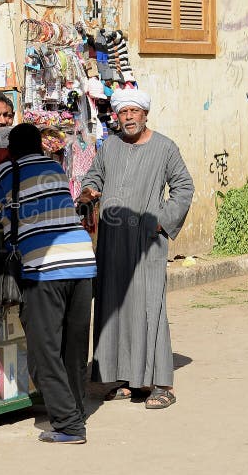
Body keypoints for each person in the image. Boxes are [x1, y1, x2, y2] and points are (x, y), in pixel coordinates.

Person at [0, 123, 97, 444]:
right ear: (40, 146)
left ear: (10, 149)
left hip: (44, 268)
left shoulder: (6, 171)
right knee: (73, 347)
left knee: (44, 351)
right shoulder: (54, 168)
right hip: (82, 263)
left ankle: (69, 426)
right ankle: (75, 410)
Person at [79, 88, 194, 410]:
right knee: (114, 308)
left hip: (146, 243)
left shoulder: (165, 147)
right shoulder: (110, 146)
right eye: (123, 112)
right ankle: (125, 379)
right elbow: (94, 176)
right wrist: (89, 190)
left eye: (134, 111)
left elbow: (184, 187)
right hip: (111, 242)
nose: (128, 117)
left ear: (145, 114)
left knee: (149, 307)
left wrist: (161, 221)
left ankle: (161, 384)